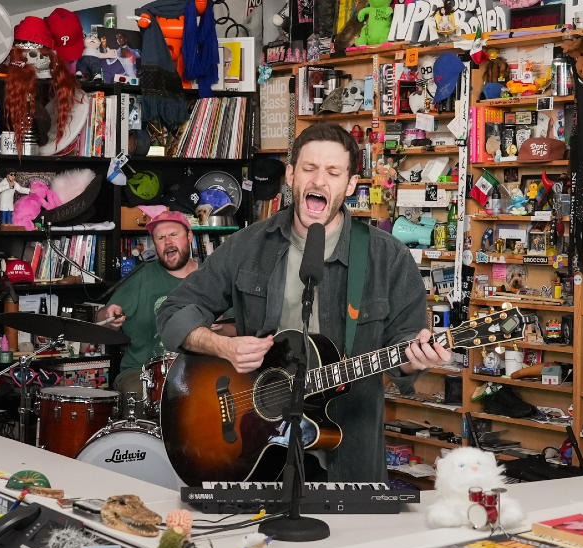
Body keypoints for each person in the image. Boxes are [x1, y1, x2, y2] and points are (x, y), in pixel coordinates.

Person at [157, 122, 450, 482]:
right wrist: (221, 345)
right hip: (253, 448)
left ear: (350, 185)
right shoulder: (247, 246)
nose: (319, 181)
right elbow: (172, 312)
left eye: (333, 172)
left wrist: (414, 359)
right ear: (292, 175)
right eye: (309, 168)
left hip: (349, 454)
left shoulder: (387, 257)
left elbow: (404, 355)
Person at [97, 210, 200, 399]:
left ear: (190, 237)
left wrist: (221, 326)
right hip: (144, 371)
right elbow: (102, 316)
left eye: (173, 235)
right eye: (160, 238)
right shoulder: (141, 277)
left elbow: (233, 327)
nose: (168, 242)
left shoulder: (210, 277)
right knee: (142, 394)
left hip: (201, 370)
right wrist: (109, 316)